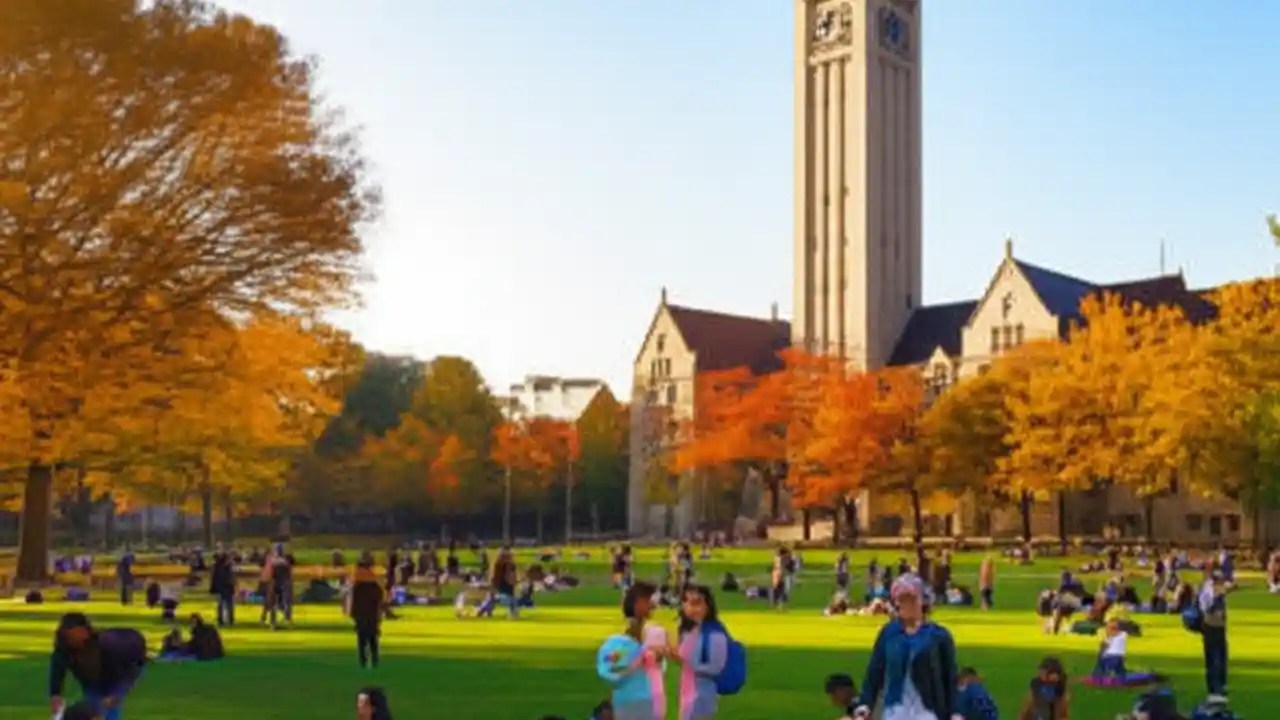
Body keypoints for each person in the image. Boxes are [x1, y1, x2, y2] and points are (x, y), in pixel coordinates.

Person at [852, 574, 960, 720]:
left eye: (911, 599)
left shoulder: (939, 636)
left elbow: (950, 678)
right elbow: (874, 672)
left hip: (928, 711)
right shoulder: (889, 633)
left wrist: (956, 712)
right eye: (901, 599)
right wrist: (864, 704)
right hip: (895, 709)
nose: (905, 604)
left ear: (923, 601)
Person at [49, 613, 147, 720]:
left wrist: (117, 693)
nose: (70, 637)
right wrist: (55, 694)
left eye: (74, 632)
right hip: (92, 680)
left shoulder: (108, 645)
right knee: (93, 709)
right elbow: (57, 670)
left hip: (123, 669)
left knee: (110, 708)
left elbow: (131, 669)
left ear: (85, 632)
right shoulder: (63, 647)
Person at [596, 581, 666, 720]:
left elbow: (659, 670)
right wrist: (630, 667)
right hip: (628, 702)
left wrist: (659, 658)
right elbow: (606, 670)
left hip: (651, 702)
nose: (653, 607)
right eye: (649, 601)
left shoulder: (655, 635)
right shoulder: (617, 643)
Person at [670, 585, 728, 720]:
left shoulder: (714, 633)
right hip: (686, 693)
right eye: (686, 602)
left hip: (702, 695)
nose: (690, 607)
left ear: (707, 606)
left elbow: (715, 668)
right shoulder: (687, 631)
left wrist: (685, 662)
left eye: (696, 603)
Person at [348, 552, 385, 668]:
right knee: (372, 638)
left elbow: (353, 599)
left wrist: (353, 613)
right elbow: (379, 598)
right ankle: (374, 660)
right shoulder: (374, 580)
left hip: (362, 612)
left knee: (362, 639)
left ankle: (363, 661)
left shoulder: (357, 580)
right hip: (371, 613)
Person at [1198, 572, 1228, 698]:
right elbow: (1207, 609)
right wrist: (1217, 596)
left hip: (1220, 629)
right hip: (1211, 629)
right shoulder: (1207, 592)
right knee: (1214, 660)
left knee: (1222, 658)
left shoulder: (1220, 593)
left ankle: (1221, 685)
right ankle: (1214, 688)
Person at [209, 546, 236, 627]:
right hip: (226, 586)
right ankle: (229, 620)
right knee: (228, 604)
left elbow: (213, 577)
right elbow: (231, 576)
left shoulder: (216, 565)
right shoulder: (227, 566)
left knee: (221, 603)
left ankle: (222, 620)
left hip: (220, 586)